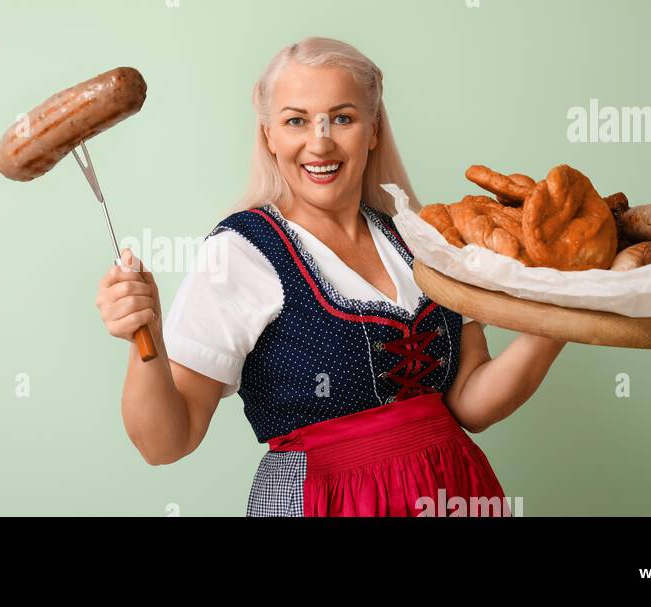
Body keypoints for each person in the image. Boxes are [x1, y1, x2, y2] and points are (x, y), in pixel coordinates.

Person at [95, 37, 566, 516]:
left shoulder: (422, 240)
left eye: (342, 117)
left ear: (374, 129)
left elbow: (469, 403)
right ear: (268, 136)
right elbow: (165, 443)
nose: (319, 141)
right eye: (295, 120)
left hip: (456, 494)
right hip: (324, 501)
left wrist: (560, 318)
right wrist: (145, 340)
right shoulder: (241, 252)